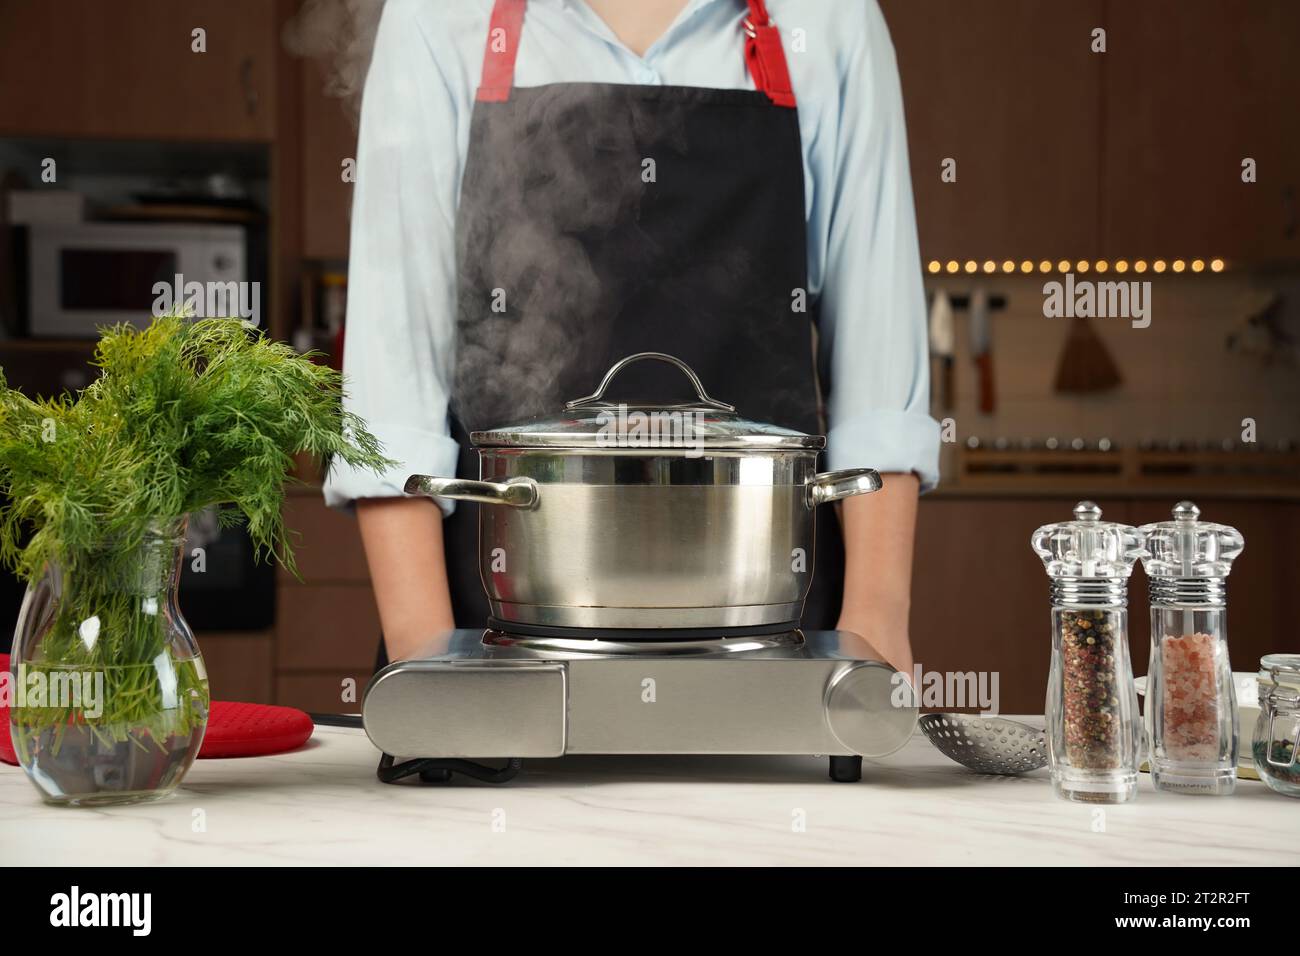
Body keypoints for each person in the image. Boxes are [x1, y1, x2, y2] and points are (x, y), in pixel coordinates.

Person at [324, 0, 940, 674]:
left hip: (770, 628)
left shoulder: (829, 18)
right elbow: (390, 394)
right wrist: (431, 670)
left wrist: (873, 637)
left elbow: (881, 380)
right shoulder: (436, 16)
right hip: (493, 637)